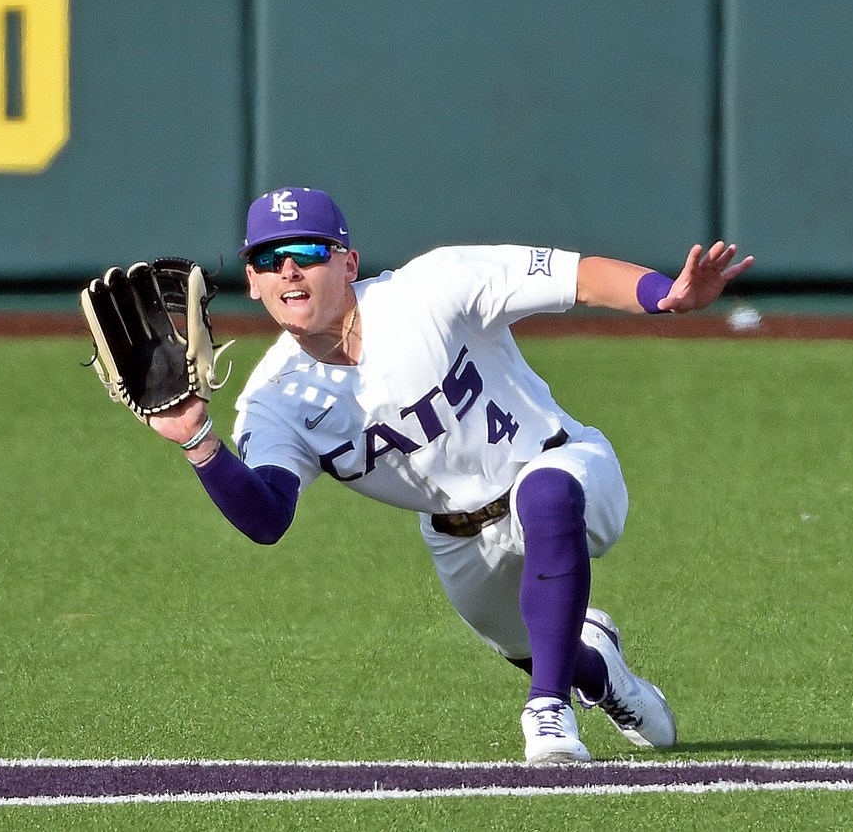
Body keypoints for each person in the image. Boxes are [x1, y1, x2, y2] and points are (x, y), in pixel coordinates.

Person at [149, 186, 753, 764]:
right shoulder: (274, 399)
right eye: (268, 259)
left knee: (543, 495)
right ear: (252, 282)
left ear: (348, 262)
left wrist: (663, 295)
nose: (289, 271)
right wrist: (198, 442)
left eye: (307, 252)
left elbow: (580, 277)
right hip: (458, 538)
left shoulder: (430, 288)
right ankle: (601, 676)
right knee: (547, 648)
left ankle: (548, 711)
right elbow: (267, 517)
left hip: (567, 468)